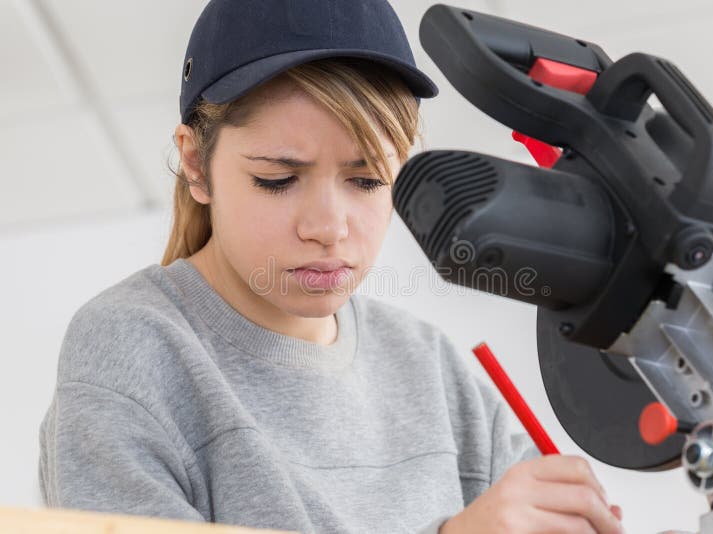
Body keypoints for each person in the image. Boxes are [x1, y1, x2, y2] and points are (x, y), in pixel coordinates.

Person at [38, 1, 624, 533]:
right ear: (195, 164)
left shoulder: (433, 369)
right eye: (278, 179)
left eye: (367, 179)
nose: (328, 227)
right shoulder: (132, 349)